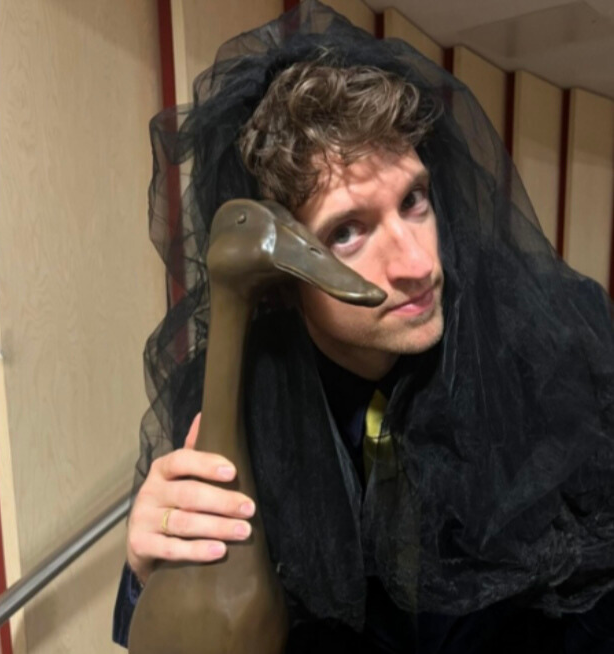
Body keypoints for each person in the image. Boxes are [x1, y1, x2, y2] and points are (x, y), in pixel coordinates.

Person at [112, 2, 614, 652]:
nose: (415, 265)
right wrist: (147, 568)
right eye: (346, 233)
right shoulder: (232, 403)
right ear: (282, 274)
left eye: (413, 201)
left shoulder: (544, 361)